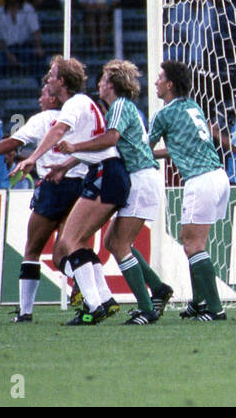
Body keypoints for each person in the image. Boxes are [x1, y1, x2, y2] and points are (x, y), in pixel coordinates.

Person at [11, 56, 131, 326]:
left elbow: (58, 132)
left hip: (105, 172)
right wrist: (65, 165)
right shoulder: (87, 104)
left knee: (70, 242)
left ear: (62, 81)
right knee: (72, 242)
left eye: (51, 76)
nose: (48, 81)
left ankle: (96, 305)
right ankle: (104, 299)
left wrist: (32, 158)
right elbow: (91, 143)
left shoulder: (75, 104)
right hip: (105, 172)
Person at [0, 84, 87, 323]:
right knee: (63, 253)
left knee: (32, 250)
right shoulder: (81, 115)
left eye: (45, 94)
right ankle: (84, 284)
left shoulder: (44, 119)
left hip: (52, 187)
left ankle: (26, 312)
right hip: (79, 186)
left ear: (55, 99)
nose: (39, 99)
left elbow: (11, 143)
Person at [54, 60, 173, 324]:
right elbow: (108, 146)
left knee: (119, 245)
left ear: (112, 84)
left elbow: (110, 140)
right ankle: (159, 288)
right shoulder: (123, 108)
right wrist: (67, 162)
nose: (99, 83)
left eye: (103, 78)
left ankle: (146, 309)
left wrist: (74, 147)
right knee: (111, 241)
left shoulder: (119, 106)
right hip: (138, 177)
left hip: (140, 178)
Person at [149, 60, 232, 322]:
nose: (155, 82)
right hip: (218, 176)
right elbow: (180, 147)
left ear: (169, 84)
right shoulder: (193, 106)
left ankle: (215, 309)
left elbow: (143, 149)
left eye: (159, 78)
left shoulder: (164, 114)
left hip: (200, 180)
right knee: (190, 240)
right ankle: (198, 302)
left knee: (193, 245)